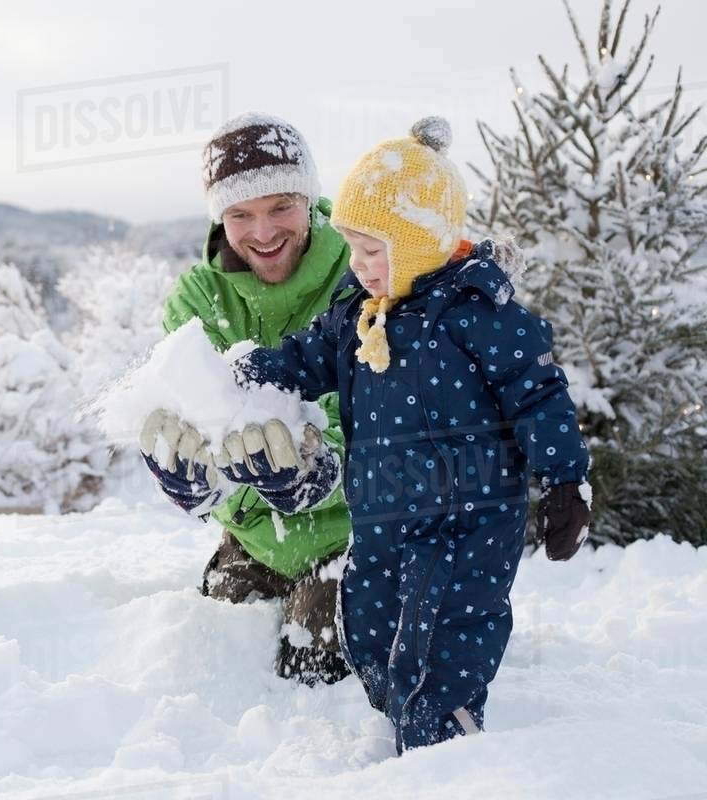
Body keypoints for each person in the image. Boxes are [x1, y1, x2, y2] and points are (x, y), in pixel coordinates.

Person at [214, 117, 593, 752]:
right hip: (382, 514)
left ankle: (446, 743)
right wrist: (243, 374)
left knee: (447, 636)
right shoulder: (357, 316)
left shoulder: (479, 315)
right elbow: (304, 359)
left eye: (373, 252)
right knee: (369, 629)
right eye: (354, 251)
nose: (359, 267)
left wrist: (563, 480)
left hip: (467, 519)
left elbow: (538, 394)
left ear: (418, 241)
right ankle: (401, 717)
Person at [139, 112, 357, 685]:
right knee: (209, 662)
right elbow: (190, 409)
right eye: (240, 214)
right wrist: (189, 473)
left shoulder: (360, 274)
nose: (263, 232)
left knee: (317, 668)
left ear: (308, 199)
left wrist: (324, 465)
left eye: (280, 207)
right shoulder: (199, 298)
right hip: (255, 534)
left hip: (353, 531)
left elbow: (383, 406)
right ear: (220, 217)